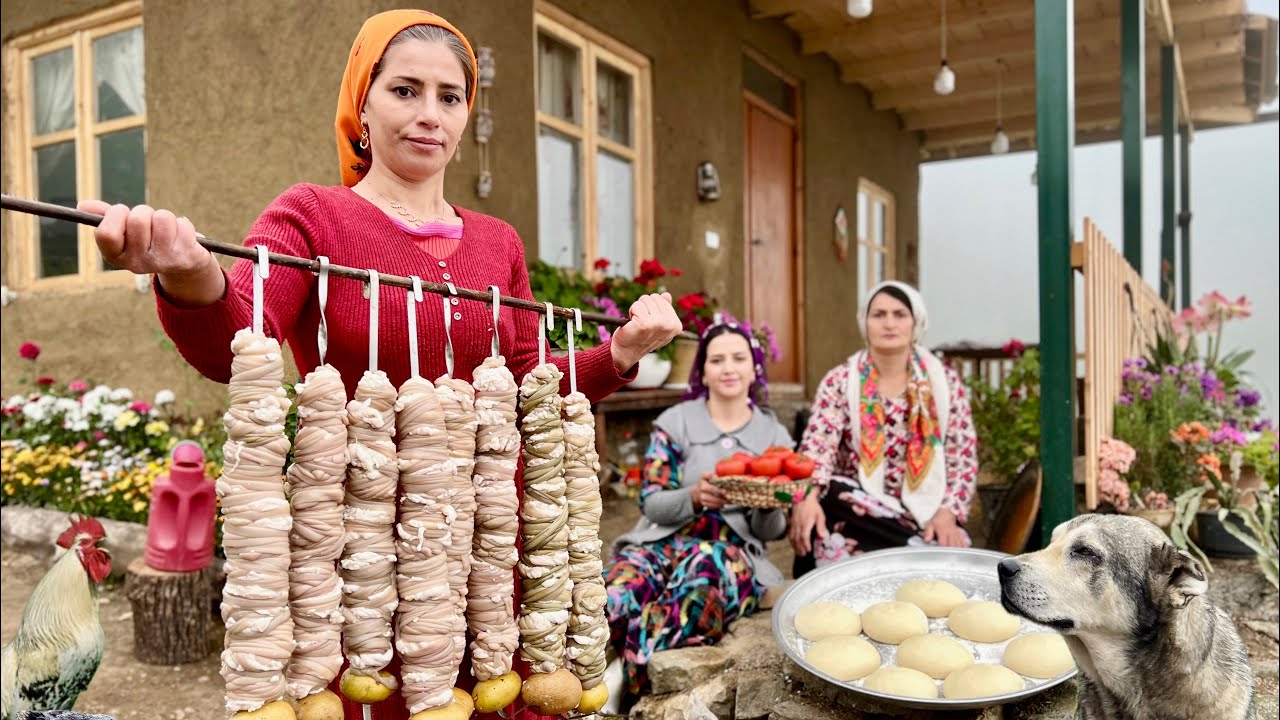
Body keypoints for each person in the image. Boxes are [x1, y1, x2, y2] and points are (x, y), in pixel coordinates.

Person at [77, 10, 683, 720]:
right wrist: (187, 276)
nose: (429, 115)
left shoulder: (498, 242)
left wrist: (622, 354)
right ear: (361, 105)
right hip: (369, 566)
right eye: (405, 91)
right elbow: (239, 333)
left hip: (489, 552)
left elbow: (529, 378)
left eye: (449, 96)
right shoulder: (312, 218)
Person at [603, 320, 793, 698]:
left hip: (733, 553)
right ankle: (610, 669)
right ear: (702, 371)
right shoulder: (675, 422)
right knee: (615, 593)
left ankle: (623, 678)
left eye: (739, 358)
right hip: (664, 540)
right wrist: (694, 497)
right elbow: (651, 502)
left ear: (754, 367)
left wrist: (768, 503)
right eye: (717, 359)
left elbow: (772, 530)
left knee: (699, 582)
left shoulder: (775, 436)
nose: (728, 368)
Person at [789, 281, 977, 577]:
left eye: (900, 314)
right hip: (860, 511)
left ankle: (907, 552)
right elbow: (817, 447)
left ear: (917, 323)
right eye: (878, 315)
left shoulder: (945, 383)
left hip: (925, 514)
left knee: (950, 537)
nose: (889, 323)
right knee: (828, 494)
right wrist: (807, 497)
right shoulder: (840, 381)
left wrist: (947, 513)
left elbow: (961, 457)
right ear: (865, 322)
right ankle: (921, 557)